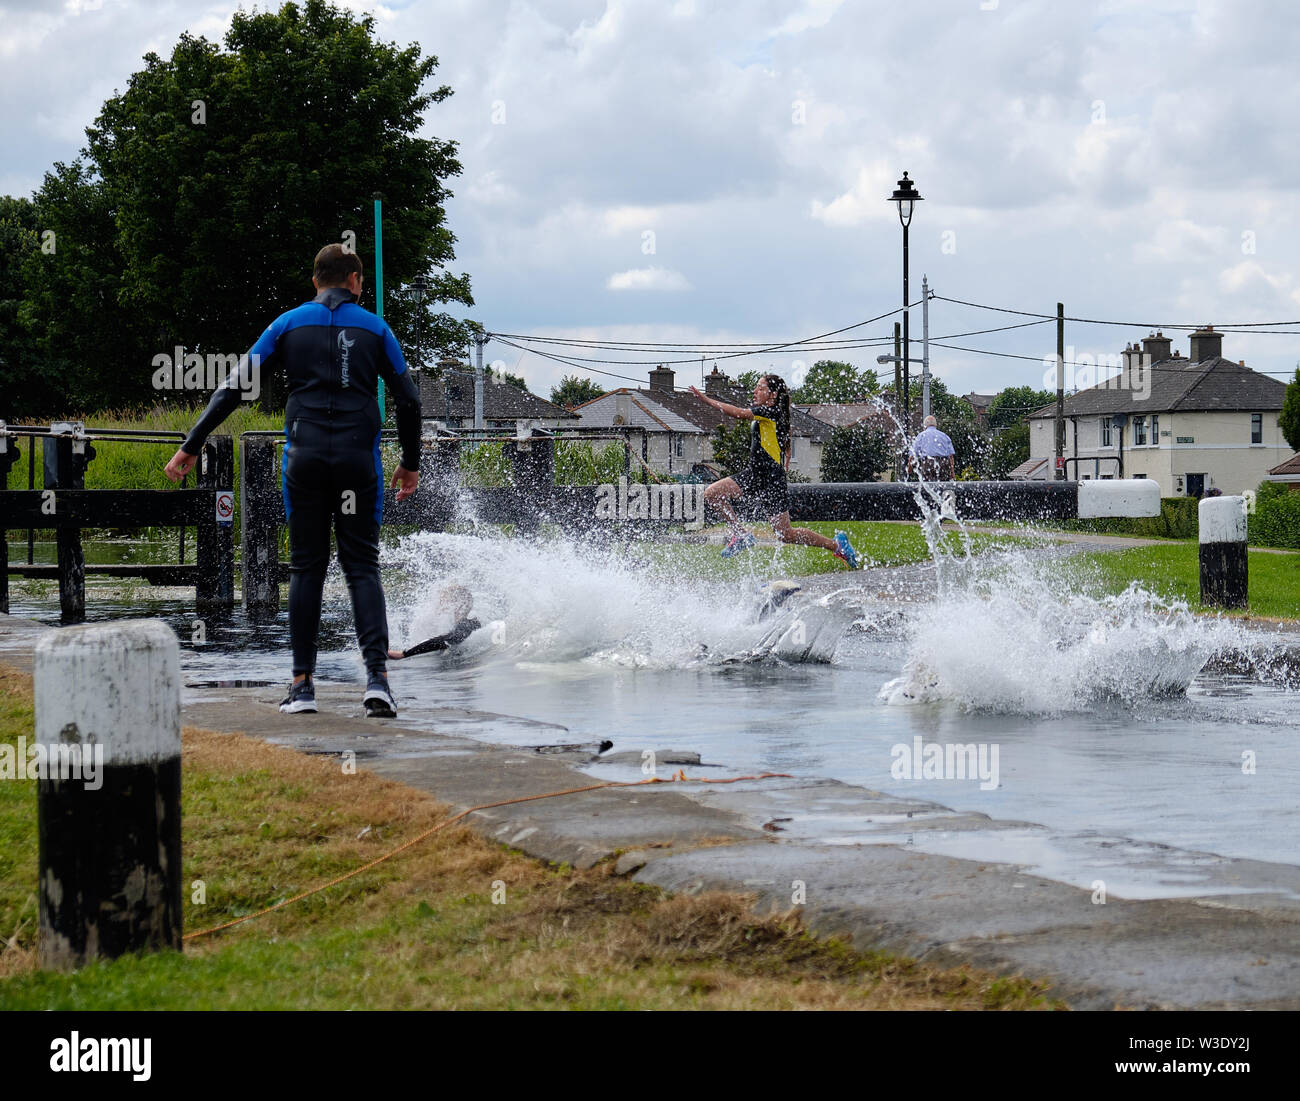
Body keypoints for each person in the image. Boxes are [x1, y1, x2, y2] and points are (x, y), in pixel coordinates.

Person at [163, 243, 422, 718]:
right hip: (355, 462)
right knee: (361, 567)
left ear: (316, 282)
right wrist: (410, 461)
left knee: (307, 568)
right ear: (354, 281)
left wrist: (193, 443)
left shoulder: (285, 324)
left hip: (304, 460)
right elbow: (409, 400)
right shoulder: (375, 327)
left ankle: (302, 686)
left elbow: (234, 387)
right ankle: (377, 683)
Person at [688, 375, 860, 568]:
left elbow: (738, 413)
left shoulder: (771, 411)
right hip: (755, 474)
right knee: (712, 494)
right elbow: (784, 437)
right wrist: (786, 457)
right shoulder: (773, 414)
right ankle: (741, 534)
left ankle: (838, 545)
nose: (755, 392)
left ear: (773, 394)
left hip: (770, 479)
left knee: (785, 534)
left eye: (760, 388)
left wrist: (705, 400)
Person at [389, 585, 480, 659]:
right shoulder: (465, 623)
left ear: (456, 605)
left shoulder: (467, 625)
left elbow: (448, 640)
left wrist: (404, 654)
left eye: (443, 601)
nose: (438, 606)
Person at [909, 414, 956, 480]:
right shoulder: (944, 436)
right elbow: (950, 456)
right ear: (936, 425)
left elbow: (913, 455)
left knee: (928, 487)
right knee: (943, 485)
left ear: (925, 426)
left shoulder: (921, 436)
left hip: (927, 463)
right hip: (943, 463)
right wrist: (952, 472)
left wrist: (909, 469)